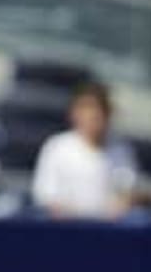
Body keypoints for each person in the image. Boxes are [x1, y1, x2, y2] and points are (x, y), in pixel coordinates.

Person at [31, 81, 139, 219]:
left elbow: (126, 194)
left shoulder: (122, 151)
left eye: (99, 110)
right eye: (86, 109)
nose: (93, 116)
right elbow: (46, 199)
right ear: (74, 113)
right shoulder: (57, 148)